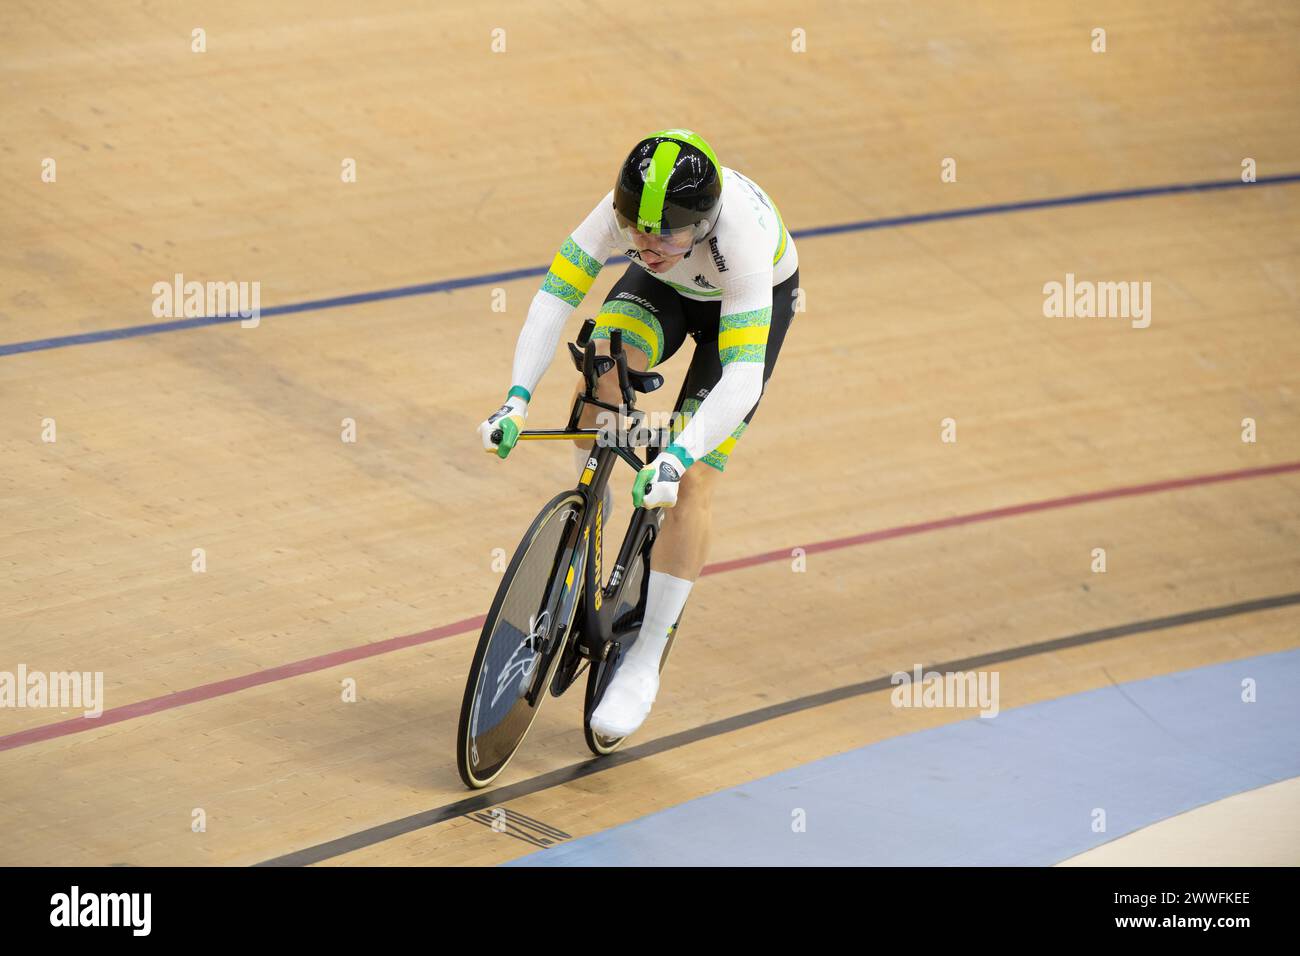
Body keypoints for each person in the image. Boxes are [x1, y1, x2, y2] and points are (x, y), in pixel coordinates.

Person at [477, 129, 800, 738]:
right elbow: (554, 297)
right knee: (602, 362)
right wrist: (515, 400)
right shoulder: (624, 214)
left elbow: (742, 379)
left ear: (702, 225)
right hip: (672, 293)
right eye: (636, 233)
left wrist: (675, 457)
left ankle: (645, 659)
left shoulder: (743, 241)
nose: (646, 247)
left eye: (664, 234)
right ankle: (587, 518)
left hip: (747, 303)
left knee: (696, 478)